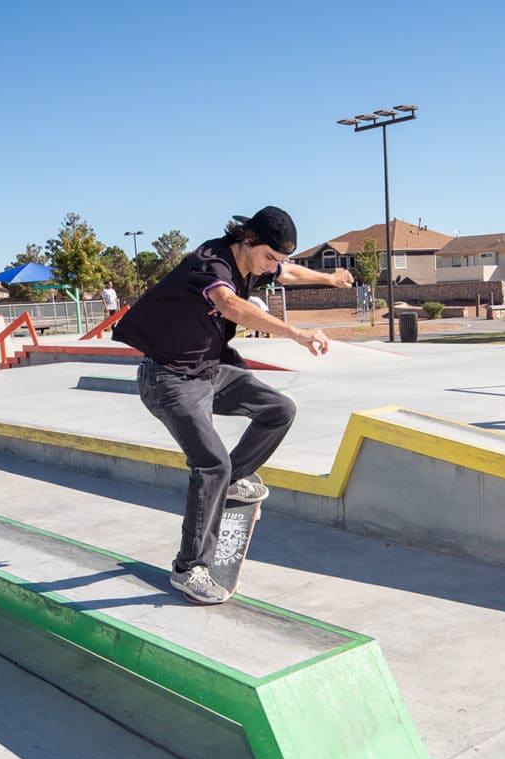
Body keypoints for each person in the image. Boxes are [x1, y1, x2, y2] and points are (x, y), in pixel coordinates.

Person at [113, 205, 351, 604]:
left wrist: (328, 276)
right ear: (247, 239)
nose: (272, 267)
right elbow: (230, 306)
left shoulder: (256, 263)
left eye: (277, 259)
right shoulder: (212, 262)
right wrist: (295, 333)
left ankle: (233, 479)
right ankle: (189, 568)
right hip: (168, 379)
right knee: (210, 464)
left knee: (279, 410)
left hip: (208, 372)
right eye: (268, 257)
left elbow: (289, 273)